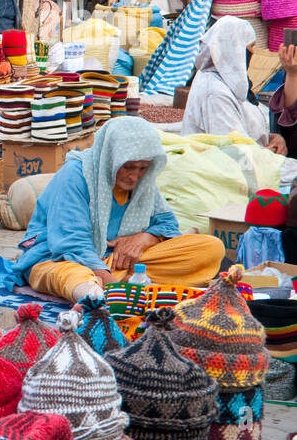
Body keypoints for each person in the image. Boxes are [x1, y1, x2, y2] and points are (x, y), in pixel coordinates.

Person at [13, 117, 226, 303]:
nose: (135, 176)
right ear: (111, 158)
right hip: (62, 258)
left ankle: (110, 286)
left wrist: (145, 238)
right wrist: (116, 291)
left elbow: (168, 224)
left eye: (143, 168)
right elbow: (72, 243)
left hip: (116, 261)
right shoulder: (75, 175)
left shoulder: (143, 183)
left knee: (211, 247)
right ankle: (101, 293)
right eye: (129, 167)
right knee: (69, 275)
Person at [182, 15, 287, 153]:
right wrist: (268, 152)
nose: (253, 52)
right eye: (251, 46)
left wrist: (270, 138)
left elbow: (242, 132)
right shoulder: (215, 94)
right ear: (235, 49)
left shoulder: (225, 81)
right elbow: (233, 151)